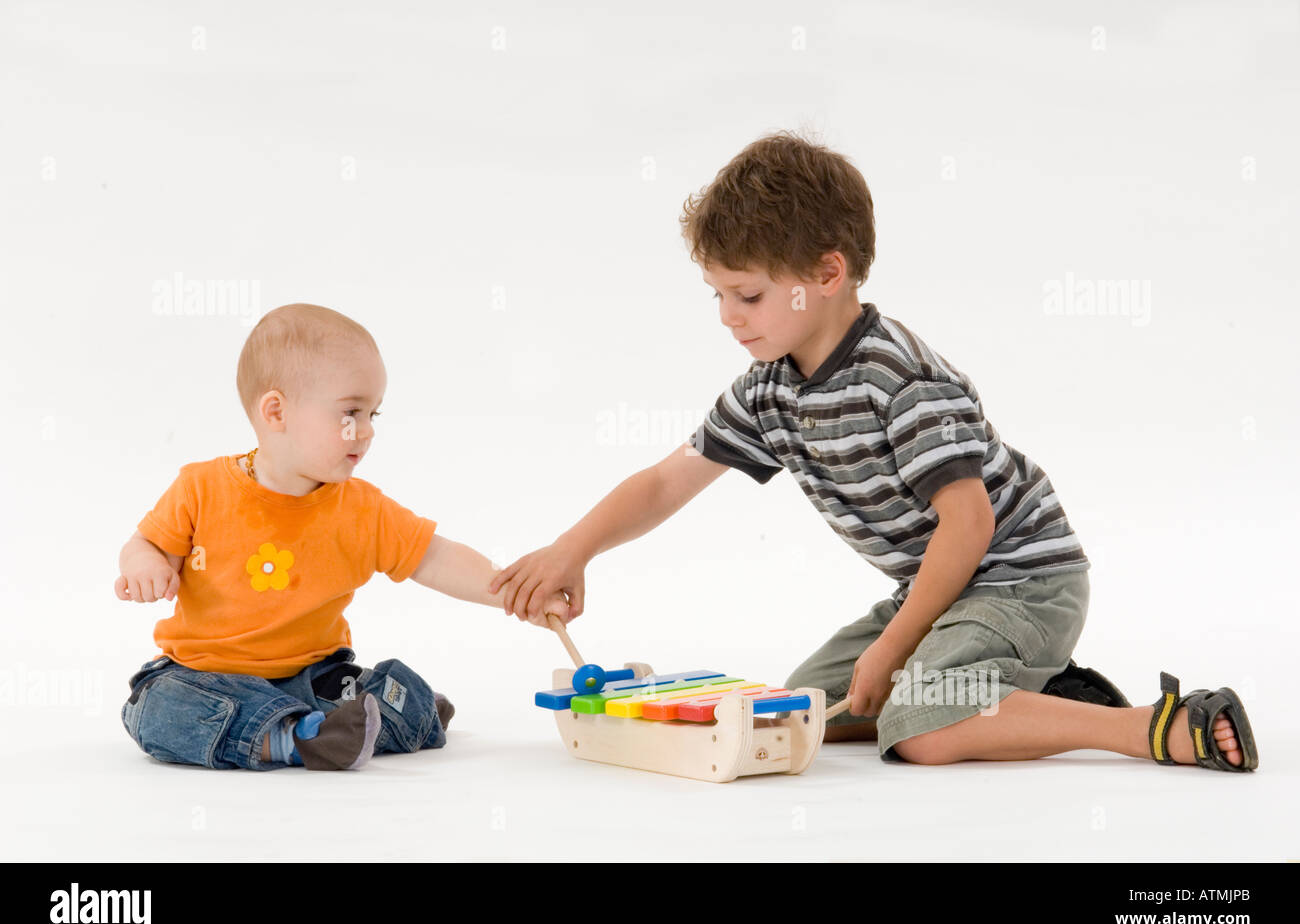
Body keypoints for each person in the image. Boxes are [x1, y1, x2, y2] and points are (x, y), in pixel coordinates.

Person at [489, 132, 1257, 772]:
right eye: (716, 295)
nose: (727, 316)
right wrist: (572, 549)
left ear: (827, 273)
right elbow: (664, 483)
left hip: (1024, 581)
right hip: (944, 591)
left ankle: (1146, 726)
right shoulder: (768, 390)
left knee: (917, 721)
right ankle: (1037, 693)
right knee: (802, 708)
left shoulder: (899, 378)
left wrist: (895, 643)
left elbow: (969, 527)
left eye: (748, 295)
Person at [115, 303, 567, 770]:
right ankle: (297, 737)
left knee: (360, 692)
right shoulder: (201, 488)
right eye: (351, 412)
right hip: (206, 678)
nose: (367, 431)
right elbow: (145, 545)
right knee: (156, 709)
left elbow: (434, 557)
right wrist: (143, 564)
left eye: (374, 413)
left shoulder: (361, 508)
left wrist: (517, 592)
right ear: (277, 412)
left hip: (316, 678)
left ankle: (382, 713)